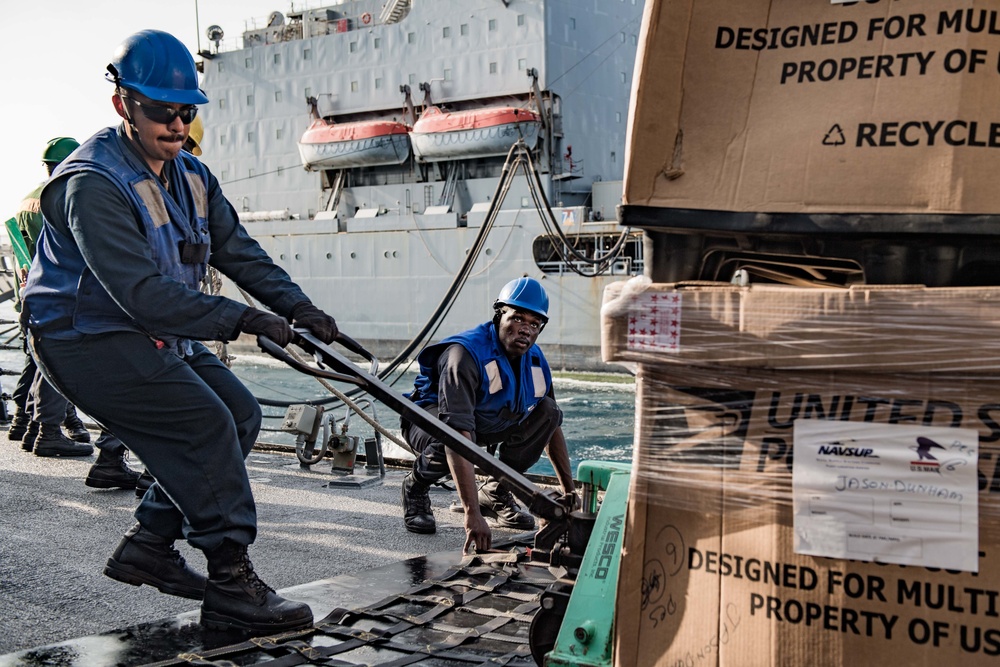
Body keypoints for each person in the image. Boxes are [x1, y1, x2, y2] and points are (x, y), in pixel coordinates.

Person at [21, 29, 337, 634]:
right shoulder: (92, 183)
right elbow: (138, 292)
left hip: (151, 331)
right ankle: (231, 580)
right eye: (160, 111)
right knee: (203, 423)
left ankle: (150, 543)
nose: (175, 123)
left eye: (185, 111)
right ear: (123, 106)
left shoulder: (191, 174)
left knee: (240, 414)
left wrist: (300, 309)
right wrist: (243, 319)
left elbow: (238, 252)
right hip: (82, 337)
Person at [400, 277, 577, 554]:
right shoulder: (465, 355)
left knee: (549, 412)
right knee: (446, 438)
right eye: (518, 318)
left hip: (484, 423)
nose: (526, 330)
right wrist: (472, 515)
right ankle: (416, 486)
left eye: (534, 324)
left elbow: (551, 426)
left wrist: (570, 493)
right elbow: (457, 434)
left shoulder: (535, 360)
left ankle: (494, 491)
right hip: (432, 422)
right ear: (499, 315)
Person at [8, 137, 94, 459]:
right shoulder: (61, 197)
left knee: (39, 360)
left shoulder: (26, 200)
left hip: (31, 296)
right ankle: (46, 427)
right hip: (59, 293)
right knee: (58, 362)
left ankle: (28, 423)